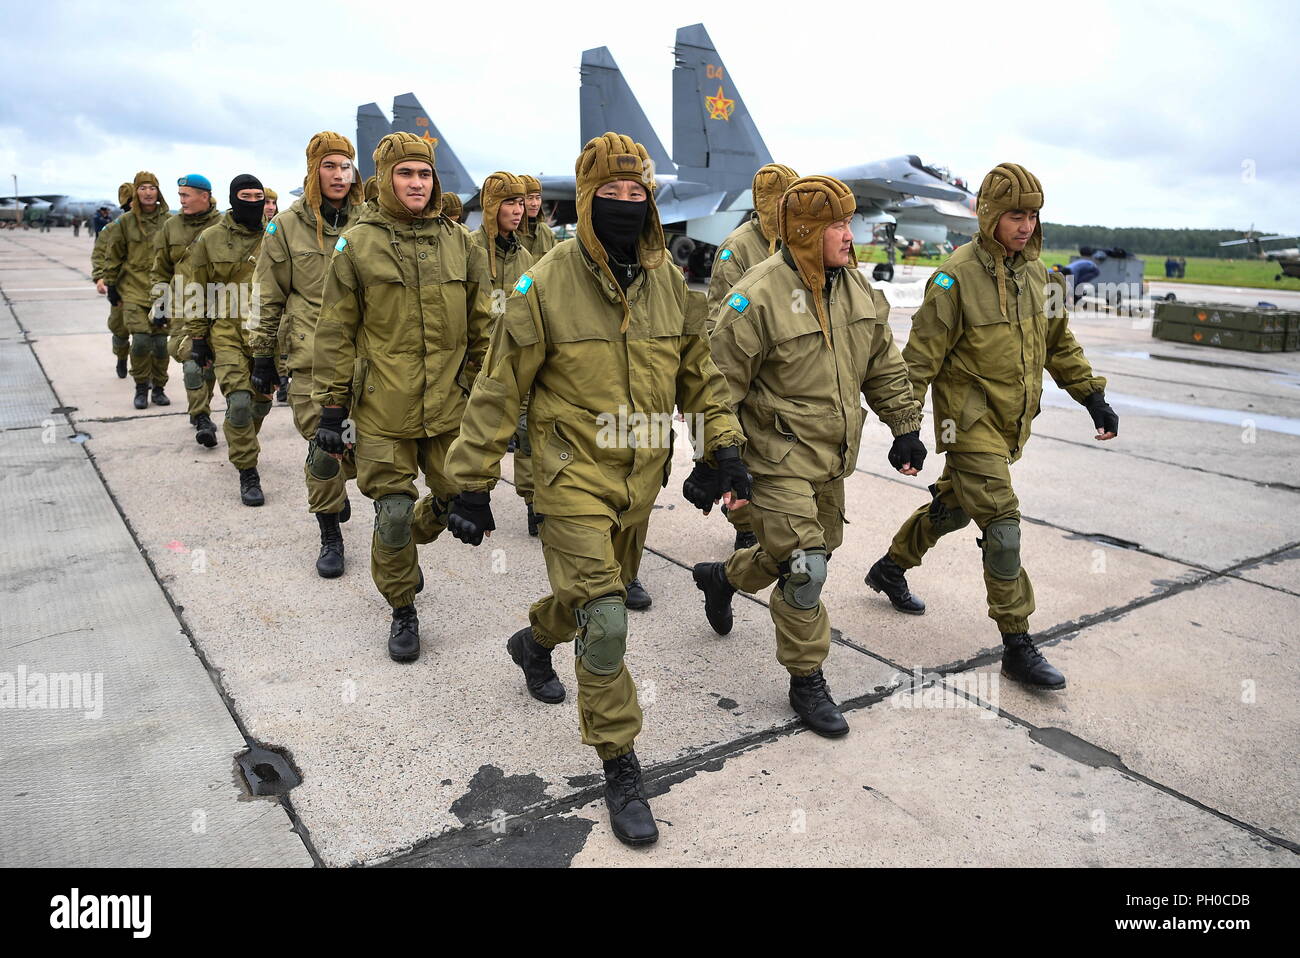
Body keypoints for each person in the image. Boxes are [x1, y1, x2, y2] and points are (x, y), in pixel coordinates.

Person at [443, 133, 747, 847]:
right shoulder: (544, 282)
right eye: (608, 195)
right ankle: (620, 761)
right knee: (608, 621)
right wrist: (472, 481)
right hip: (568, 472)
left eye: (635, 194)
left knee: (587, 598)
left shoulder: (669, 280)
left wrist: (723, 444)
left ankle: (532, 640)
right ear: (585, 201)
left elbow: (699, 372)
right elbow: (498, 385)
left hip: (639, 476)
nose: (623, 205)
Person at [865, 163, 1119, 690]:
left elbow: (1058, 343)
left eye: (1032, 216)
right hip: (969, 422)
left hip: (1012, 422)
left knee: (956, 507)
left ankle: (890, 567)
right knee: (1001, 523)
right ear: (989, 216)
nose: (1025, 226)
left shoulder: (1041, 276)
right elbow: (919, 361)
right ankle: (1017, 641)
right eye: (1014, 216)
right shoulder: (952, 278)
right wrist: (905, 429)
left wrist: (1092, 395)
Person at [698, 175, 924, 738]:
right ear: (805, 232)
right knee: (806, 564)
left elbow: (882, 364)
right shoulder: (758, 295)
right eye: (839, 226)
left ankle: (723, 579)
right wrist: (716, 459)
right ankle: (806, 680)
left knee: (793, 554)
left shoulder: (857, 289)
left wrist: (905, 426)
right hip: (775, 457)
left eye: (851, 224)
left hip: (830, 459)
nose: (852, 236)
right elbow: (714, 384)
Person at [312, 131, 493, 659]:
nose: (417, 183)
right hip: (380, 410)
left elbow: (484, 329)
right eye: (406, 173)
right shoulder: (358, 243)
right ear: (386, 179)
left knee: (458, 506)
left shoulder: (461, 242)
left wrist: (495, 403)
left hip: (449, 409)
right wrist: (331, 408)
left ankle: (427, 517)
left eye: (425, 173)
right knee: (391, 513)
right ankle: (402, 608)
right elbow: (335, 330)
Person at [251, 132, 367, 578]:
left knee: (360, 451)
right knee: (324, 447)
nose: (339, 175)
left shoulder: (368, 221)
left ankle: (335, 495)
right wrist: (263, 357)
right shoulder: (286, 226)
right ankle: (330, 535)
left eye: (345, 166)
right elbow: (267, 294)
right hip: (310, 359)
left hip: (365, 360)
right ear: (313, 171)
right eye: (330, 166)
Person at [705, 163, 799, 553]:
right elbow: (717, 317)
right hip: (743, 365)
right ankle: (743, 524)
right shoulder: (737, 248)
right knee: (740, 448)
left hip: (783, 368)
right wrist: (708, 379)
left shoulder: (797, 242)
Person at [185, 175, 270, 506]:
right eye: (245, 195)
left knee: (261, 402)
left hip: (267, 333)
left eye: (258, 195)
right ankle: (248, 469)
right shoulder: (211, 238)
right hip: (227, 329)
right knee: (238, 402)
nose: (252, 201)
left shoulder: (277, 235)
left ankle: (242, 439)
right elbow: (197, 288)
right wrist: (198, 337)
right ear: (233, 198)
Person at [153, 173, 222, 447]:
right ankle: (202, 416)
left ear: (204, 196)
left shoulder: (223, 224)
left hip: (218, 304)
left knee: (211, 365)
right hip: (184, 306)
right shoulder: (171, 226)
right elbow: (160, 268)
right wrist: (158, 303)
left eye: (186, 195)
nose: (181, 200)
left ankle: (200, 404)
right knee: (192, 363)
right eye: (179, 195)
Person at [101, 172, 173, 408]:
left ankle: (159, 388)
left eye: (152, 187)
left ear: (158, 191)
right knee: (141, 341)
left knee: (161, 345)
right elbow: (113, 255)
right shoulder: (125, 223)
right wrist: (111, 285)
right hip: (132, 289)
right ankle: (141, 387)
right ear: (135, 192)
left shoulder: (170, 222)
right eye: (142, 188)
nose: (148, 192)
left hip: (162, 291)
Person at [92, 184, 133, 378]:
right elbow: (100, 254)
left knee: (151, 335)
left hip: (149, 287)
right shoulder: (112, 229)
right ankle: (121, 357)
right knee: (120, 329)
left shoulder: (160, 226)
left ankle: (148, 374)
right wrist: (100, 277)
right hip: (121, 286)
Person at [517, 174, 557, 258]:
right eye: (529, 198)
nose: (535, 204)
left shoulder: (546, 231)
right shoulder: (509, 232)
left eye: (538, 198)